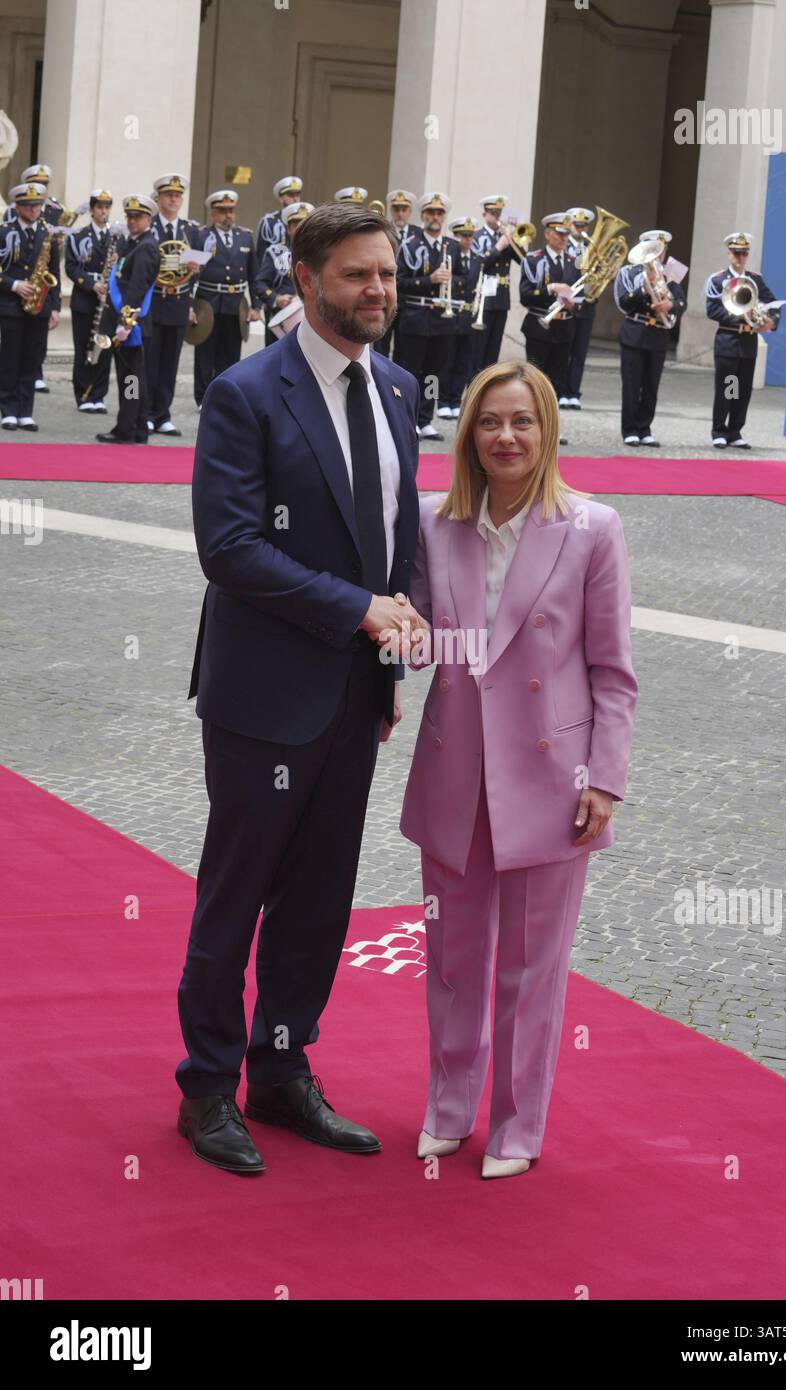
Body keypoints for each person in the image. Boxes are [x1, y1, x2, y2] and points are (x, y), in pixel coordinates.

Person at [177, 201, 427, 1175]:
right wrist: (358, 609)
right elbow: (228, 548)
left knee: (321, 899)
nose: (378, 292)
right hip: (261, 695)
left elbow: (393, 535)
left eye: (387, 275)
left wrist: (388, 650)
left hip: (352, 691)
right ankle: (204, 1088)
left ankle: (280, 1069)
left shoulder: (400, 389)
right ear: (306, 280)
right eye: (359, 275)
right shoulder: (245, 394)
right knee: (234, 897)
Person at [398, 360, 638, 1178]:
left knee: (533, 970)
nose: (506, 437)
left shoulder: (592, 529)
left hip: (554, 779)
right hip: (455, 773)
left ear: (548, 431)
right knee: (451, 960)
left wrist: (605, 776)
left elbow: (612, 668)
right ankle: (447, 1106)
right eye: (490, 422)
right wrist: (383, 650)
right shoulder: (436, 524)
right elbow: (428, 640)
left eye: (522, 422)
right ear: (469, 431)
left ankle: (518, 1125)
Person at [395, 190, 466, 440]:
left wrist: (452, 280)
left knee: (434, 373)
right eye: (431, 213)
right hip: (416, 316)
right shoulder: (410, 245)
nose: (435, 217)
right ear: (423, 215)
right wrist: (429, 279)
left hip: (442, 320)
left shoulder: (453, 246)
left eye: (439, 213)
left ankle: (426, 419)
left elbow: (463, 279)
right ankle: (408, 418)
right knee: (410, 371)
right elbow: (399, 282)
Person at [94, 194, 161, 445]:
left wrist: (125, 323)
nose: (132, 221)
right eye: (130, 217)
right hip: (128, 322)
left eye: (138, 217)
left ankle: (126, 427)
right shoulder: (134, 244)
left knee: (130, 379)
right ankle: (139, 426)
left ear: (148, 218)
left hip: (131, 324)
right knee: (133, 377)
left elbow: (137, 287)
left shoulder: (146, 247)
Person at [705, 231, 780, 449]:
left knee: (743, 389)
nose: (740, 258)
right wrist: (741, 314)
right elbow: (712, 310)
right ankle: (719, 430)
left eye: (744, 253)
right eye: (736, 253)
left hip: (748, 342)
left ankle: (735, 431)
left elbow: (771, 302)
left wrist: (771, 321)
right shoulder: (718, 280)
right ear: (729, 253)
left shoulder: (754, 279)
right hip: (729, 340)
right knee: (728, 387)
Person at [613, 229, 686, 447]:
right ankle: (630, 429)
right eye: (655, 249)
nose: (659, 255)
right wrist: (644, 290)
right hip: (635, 332)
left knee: (651, 385)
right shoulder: (628, 272)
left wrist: (671, 304)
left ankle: (645, 428)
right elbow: (623, 302)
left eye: (662, 250)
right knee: (632, 384)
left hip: (658, 335)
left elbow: (682, 302)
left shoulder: (671, 273)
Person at [0, 182, 62, 432]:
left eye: (37, 205)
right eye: (29, 206)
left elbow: (54, 272)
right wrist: (14, 285)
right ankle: (8, 410)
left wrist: (55, 307)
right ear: (17, 207)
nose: (35, 210)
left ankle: (26, 411)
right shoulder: (3, 232)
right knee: (9, 359)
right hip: (11, 305)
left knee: (31, 359)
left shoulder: (48, 234)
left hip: (39, 306)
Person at [193, 189, 260, 408]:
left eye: (231, 211)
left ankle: (225, 396)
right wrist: (189, 305)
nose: (228, 215)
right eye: (222, 211)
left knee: (230, 354)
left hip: (235, 305)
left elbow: (254, 274)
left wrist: (256, 306)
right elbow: (190, 273)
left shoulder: (245, 236)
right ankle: (203, 398)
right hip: (207, 303)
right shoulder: (201, 236)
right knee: (205, 354)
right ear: (212, 213)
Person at [145, 173, 199, 437]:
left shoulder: (190, 230)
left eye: (178, 195)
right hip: (153, 301)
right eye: (169, 195)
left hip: (178, 302)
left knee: (170, 364)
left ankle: (163, 414)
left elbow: (196, 271)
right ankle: (143, 412)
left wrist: (193, 268)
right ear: (159, 198)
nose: (174, 199)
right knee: (148, 362)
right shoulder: (149, 226)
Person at [64, 188, 115, 415]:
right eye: (99, 207)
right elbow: (71, 268)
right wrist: (91, 284)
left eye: (106, 207)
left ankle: (98, 395)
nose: (103, 211)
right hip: (85, 299)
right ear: (92, 210)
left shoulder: (116, 237)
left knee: (104, 347)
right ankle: (83, 394)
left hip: (107, 301)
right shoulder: (78, 237)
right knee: (83, 347)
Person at [519, 212, 576, 404]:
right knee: (536, 380)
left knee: (557, 381)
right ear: (547, 234)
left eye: (566, 233)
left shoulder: (572, 261)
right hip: (538, 326)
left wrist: (574, 303)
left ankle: (552, 428)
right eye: (559, 233)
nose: (564, 238)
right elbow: (525, 296)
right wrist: (551, 288)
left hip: (564, 328)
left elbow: (580, 295)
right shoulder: (533, 259)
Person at [437, 214, 482, 418]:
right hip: (451, 313)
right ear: (456, 236)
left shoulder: (477, 258)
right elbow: (452, 281)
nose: (468, 239)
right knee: (447, 359)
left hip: (468, 316)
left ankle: (456, 400)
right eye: (464, 235)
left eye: (471, 235)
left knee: (464, 361)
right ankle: (444, 400)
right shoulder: (450, 255)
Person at [471, 195, 524, 369]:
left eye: (500, 213)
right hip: (484, 295)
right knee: (479, 347)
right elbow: (478, 265)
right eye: (493, 213)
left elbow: (524, 259)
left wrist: (515, 240)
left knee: (494, 347)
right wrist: (498, 248)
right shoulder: (476, 236)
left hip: (501, 297)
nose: (497, 217)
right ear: (484, 214)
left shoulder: (506, 236)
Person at [254, 201, 312, 345]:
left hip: (312, 319)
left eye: (305, 224)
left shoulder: (320, 254)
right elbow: (259, 284)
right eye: (296, 225)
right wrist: (275, 298)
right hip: (281, 318)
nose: (301, 229)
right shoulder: (275, 253)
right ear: (289, 228)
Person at [373, 189, 419, 359]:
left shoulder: (418, 234)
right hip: (384, 295)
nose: (400, 213)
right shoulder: (382, 230)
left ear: (410, 211)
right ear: (391, 210)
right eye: (396, 209)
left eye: (404, 209)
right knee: (380, 344)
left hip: (407, 302)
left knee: (405, 349)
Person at [560, 206, 596, 410]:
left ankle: (574, 392)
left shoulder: (592, 247)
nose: (580, 229)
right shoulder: (564, 246)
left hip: (588, 304)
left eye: (583, 226)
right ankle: (562, 390)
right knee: (565, 349)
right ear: (570, 226)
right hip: (569, 302)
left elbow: (600, 273)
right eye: (576, 225)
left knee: (580, 352)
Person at [255, 175, 304, 260]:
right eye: (291, 195)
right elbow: (261, 256)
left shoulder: (306, 220)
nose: (295, 199)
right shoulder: (269, 222)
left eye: (297, 194)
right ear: (281, 199)